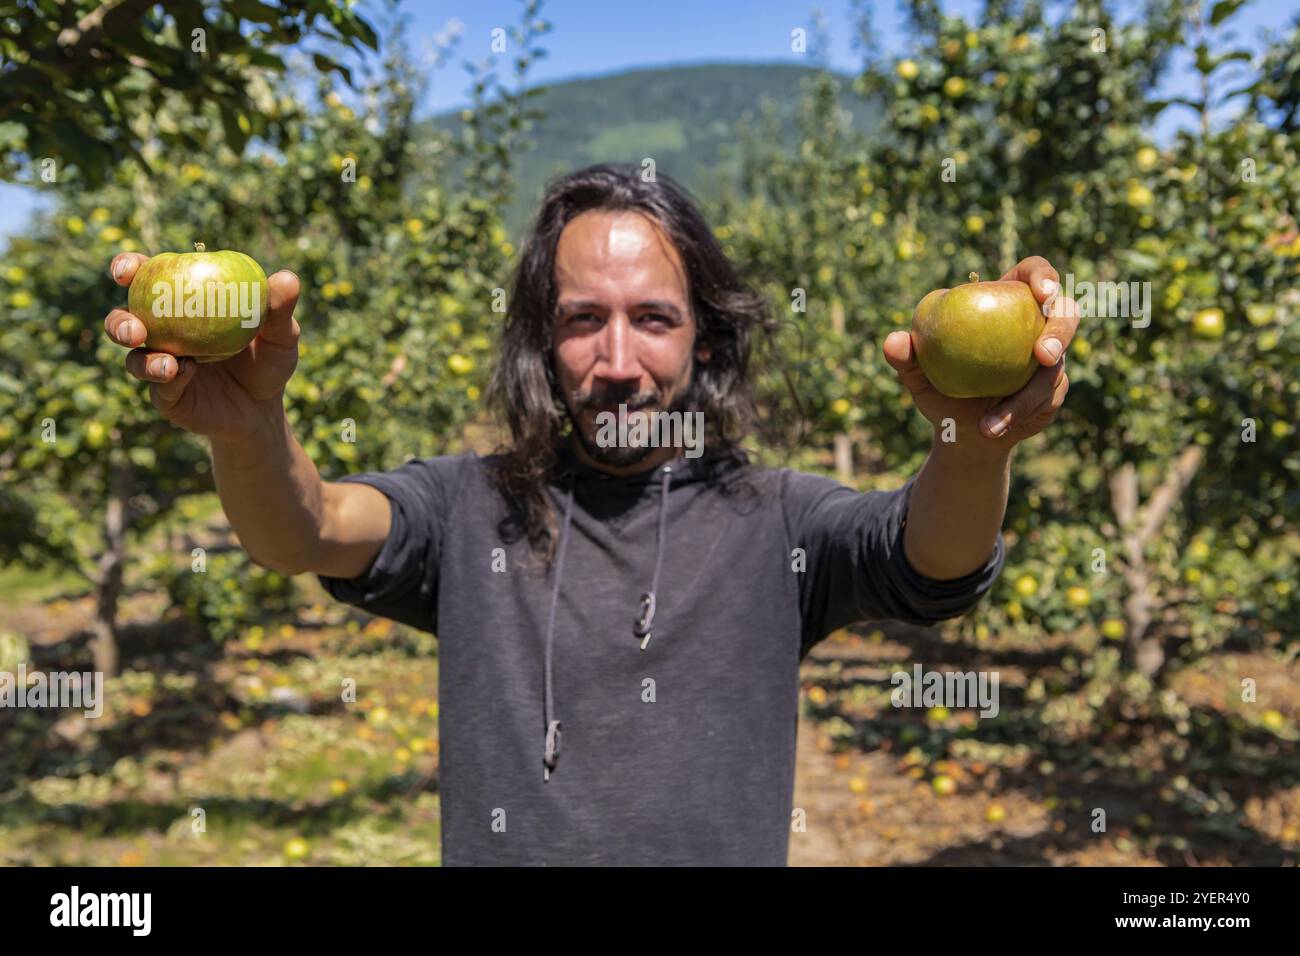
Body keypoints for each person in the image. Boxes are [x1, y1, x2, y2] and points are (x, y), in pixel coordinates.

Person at [103, 164, 1077, 866]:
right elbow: (301, 527)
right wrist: (248, 426)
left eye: (653, 318)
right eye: (582, 320)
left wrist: (974, 439)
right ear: (542, 337)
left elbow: (934, 561)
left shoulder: (777, 519)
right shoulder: (466, 505)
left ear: (703, 338)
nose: (617, 359)